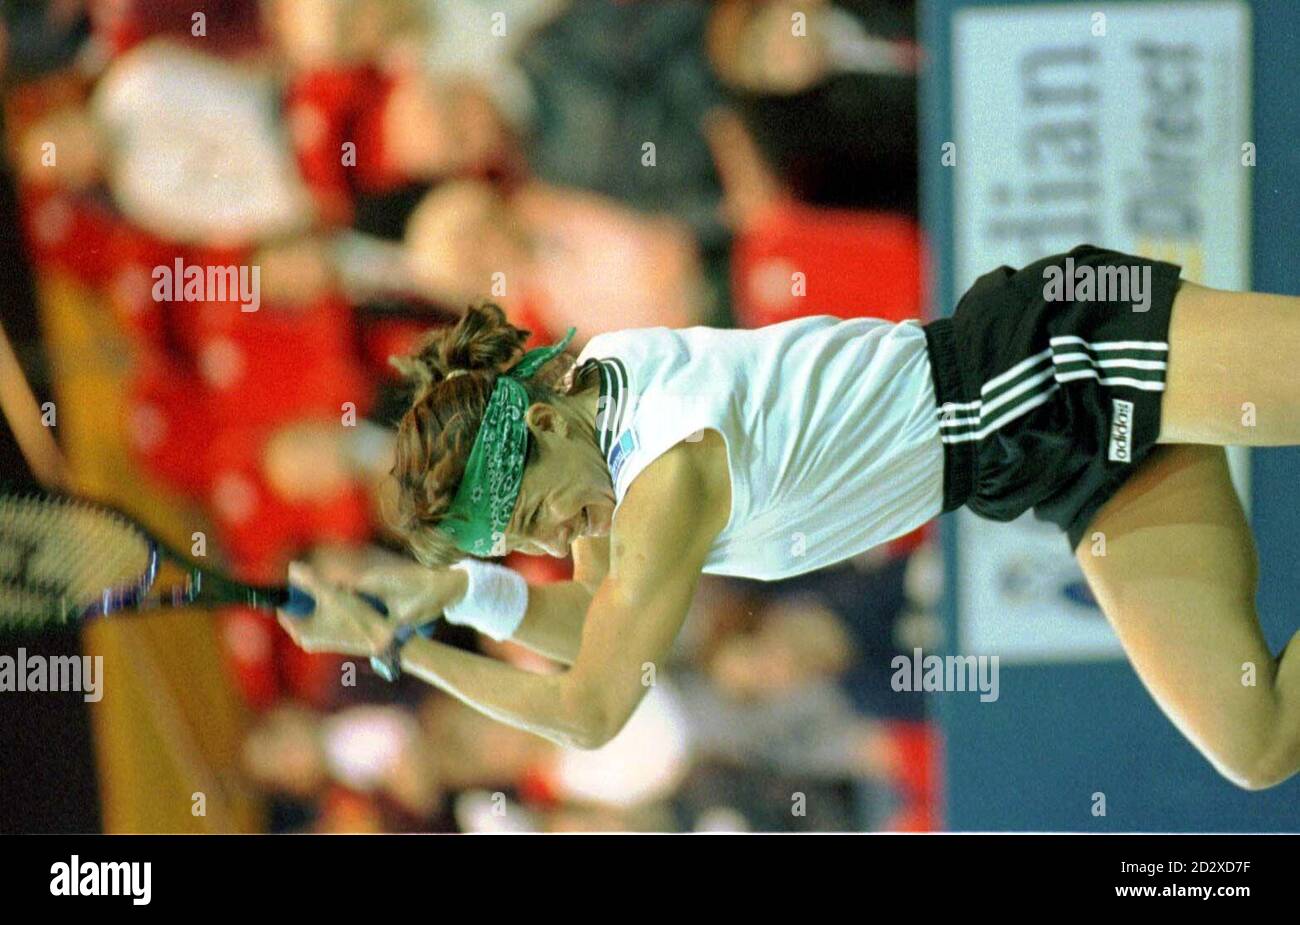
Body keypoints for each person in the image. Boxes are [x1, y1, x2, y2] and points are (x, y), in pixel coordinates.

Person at [278, 245, 1300, 791]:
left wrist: (407, 650)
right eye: (530, 540)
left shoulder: (670, 473)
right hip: (1065, 476)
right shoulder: (595, 416)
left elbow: (590, 709)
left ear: (543, 419)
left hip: (1057, 361)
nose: (559, 539)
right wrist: (460, 592)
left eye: (544, 514)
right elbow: (594, 611)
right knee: (1256, 741)